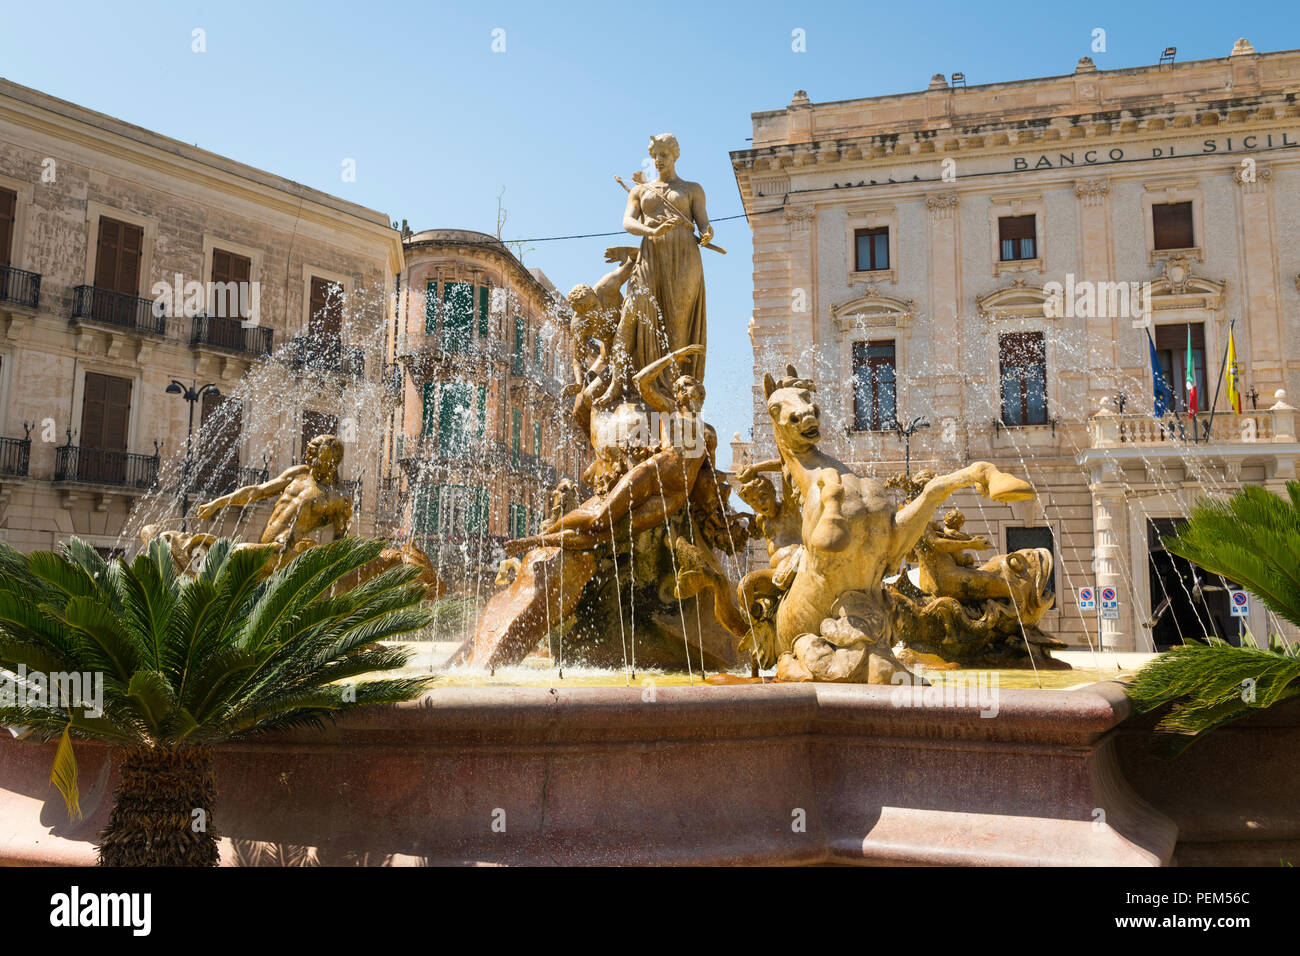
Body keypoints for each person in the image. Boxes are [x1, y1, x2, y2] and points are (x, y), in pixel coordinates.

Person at [507, 344, 712, 553]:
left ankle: (541, 541)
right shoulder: (670, 410)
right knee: (599, 518)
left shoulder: (709, 434)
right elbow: (640, 381)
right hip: (653, 473)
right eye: (681, 386)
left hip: (675, 495)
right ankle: (540, 538)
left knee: (609, 533)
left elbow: (709, 475)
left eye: (689, 384)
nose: (685, 388)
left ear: (701, 392)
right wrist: (673, 356)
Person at [192, 433, 353, 569]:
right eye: (308, 453)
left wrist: (313, 556)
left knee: (233, 555)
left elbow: (340, 545)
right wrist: (218, 503)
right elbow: (259, 491)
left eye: (314, 455)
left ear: (331, 460)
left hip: (287, 553)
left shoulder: (340, 498)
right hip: (266, 546)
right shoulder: (299, 473)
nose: (308, 458)